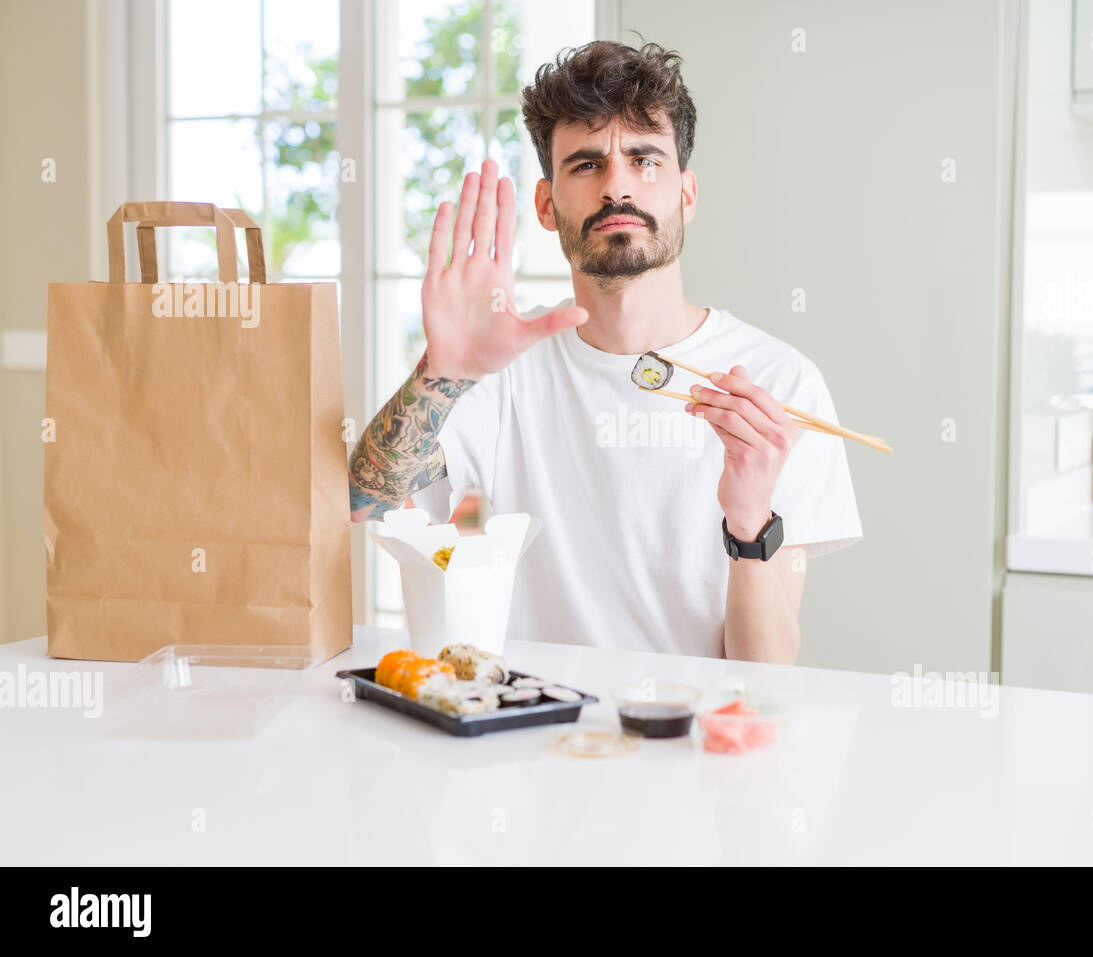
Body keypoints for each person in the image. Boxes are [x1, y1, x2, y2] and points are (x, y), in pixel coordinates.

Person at [349, 40, 861, 663]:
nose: (618, 186)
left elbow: (766, 674)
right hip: (534, 737)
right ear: (546, 204)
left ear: (687, 194)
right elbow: (365, 501)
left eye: (645, 160)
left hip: (695, 747)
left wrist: (749, 519)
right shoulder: (502, 365)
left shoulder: (782, 385)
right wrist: (441, 376)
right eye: (587, 164)